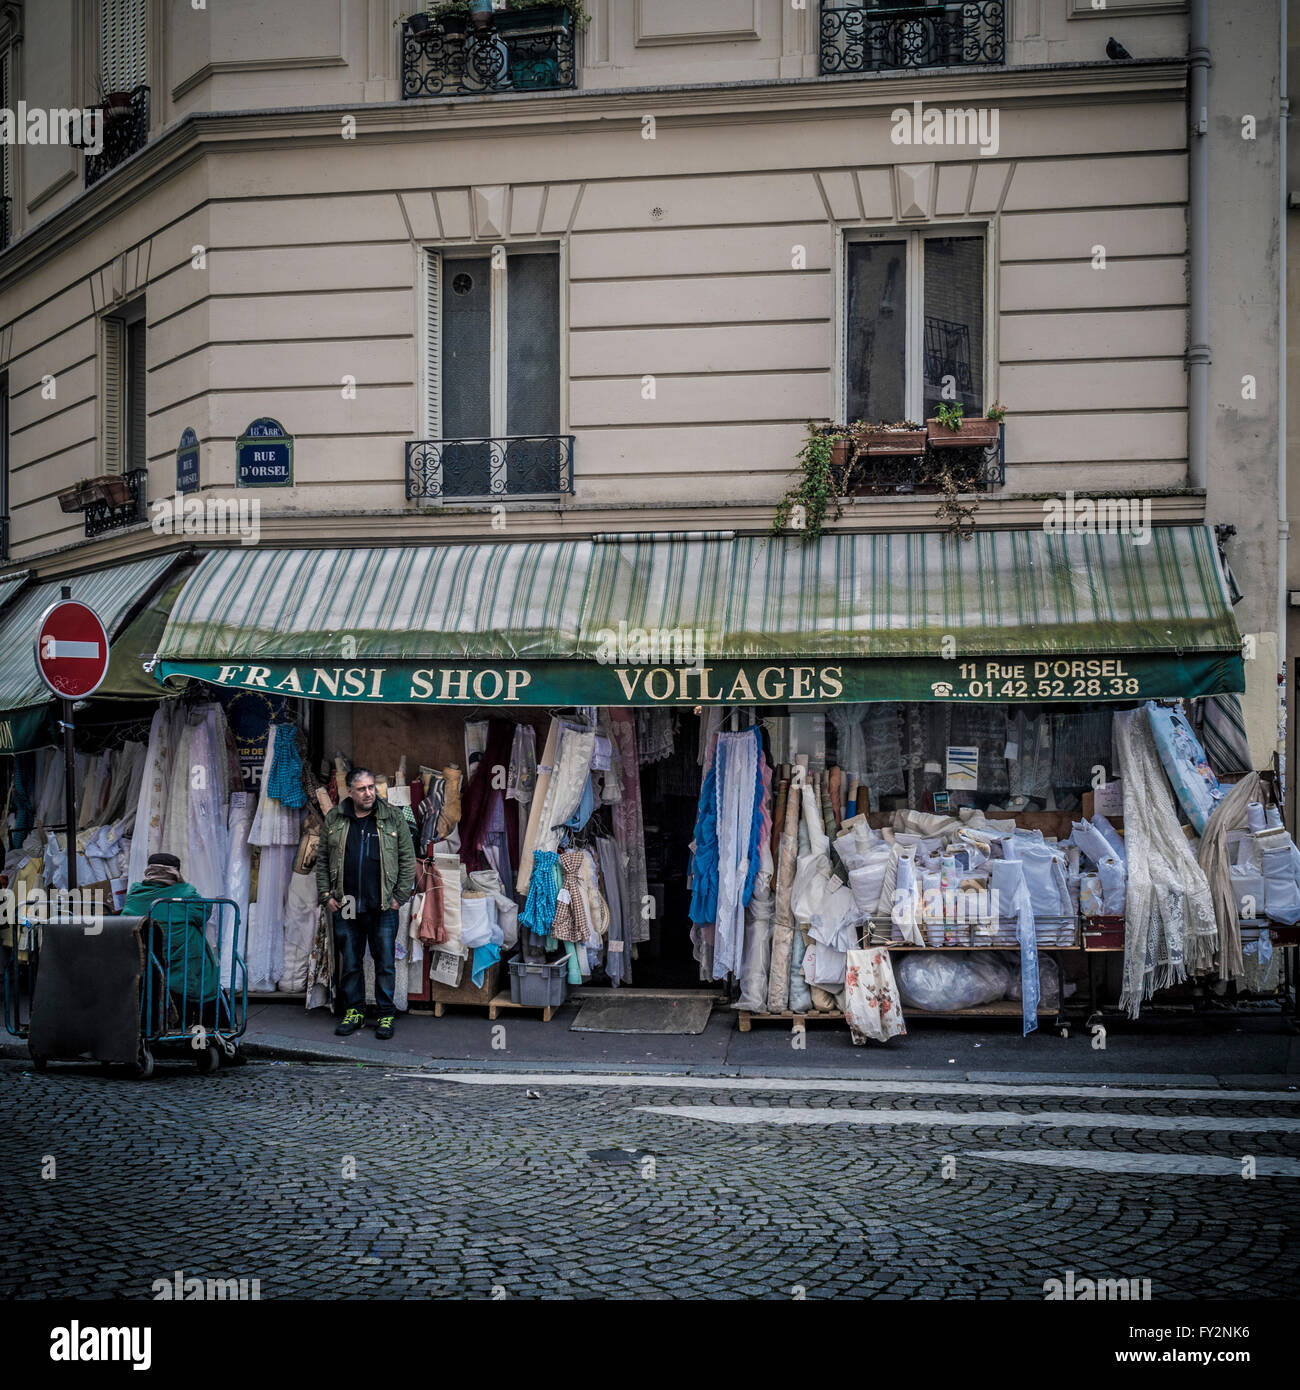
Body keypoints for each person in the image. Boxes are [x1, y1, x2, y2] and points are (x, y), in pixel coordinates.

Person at [316, 767, 415, 1039]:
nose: (369, 793)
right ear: (351, 792)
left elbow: (408, 859)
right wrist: (326, 896)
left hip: (382, 904)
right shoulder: (335, 818)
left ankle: (385, 1015)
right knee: (350, 962)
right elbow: (323, 859)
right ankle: (355, 1012)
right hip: (346, 904)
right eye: (362, 789)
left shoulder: (392, 817)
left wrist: (399, 897)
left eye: (372, 787)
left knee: (384, 962)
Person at [123, 852, 241, 1052]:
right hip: (185, 970)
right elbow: (203, 913)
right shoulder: (185, 893)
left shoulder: (135, 893)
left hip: (148, 970)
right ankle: (219, 1041)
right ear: (175, 872)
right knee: (210, 986)